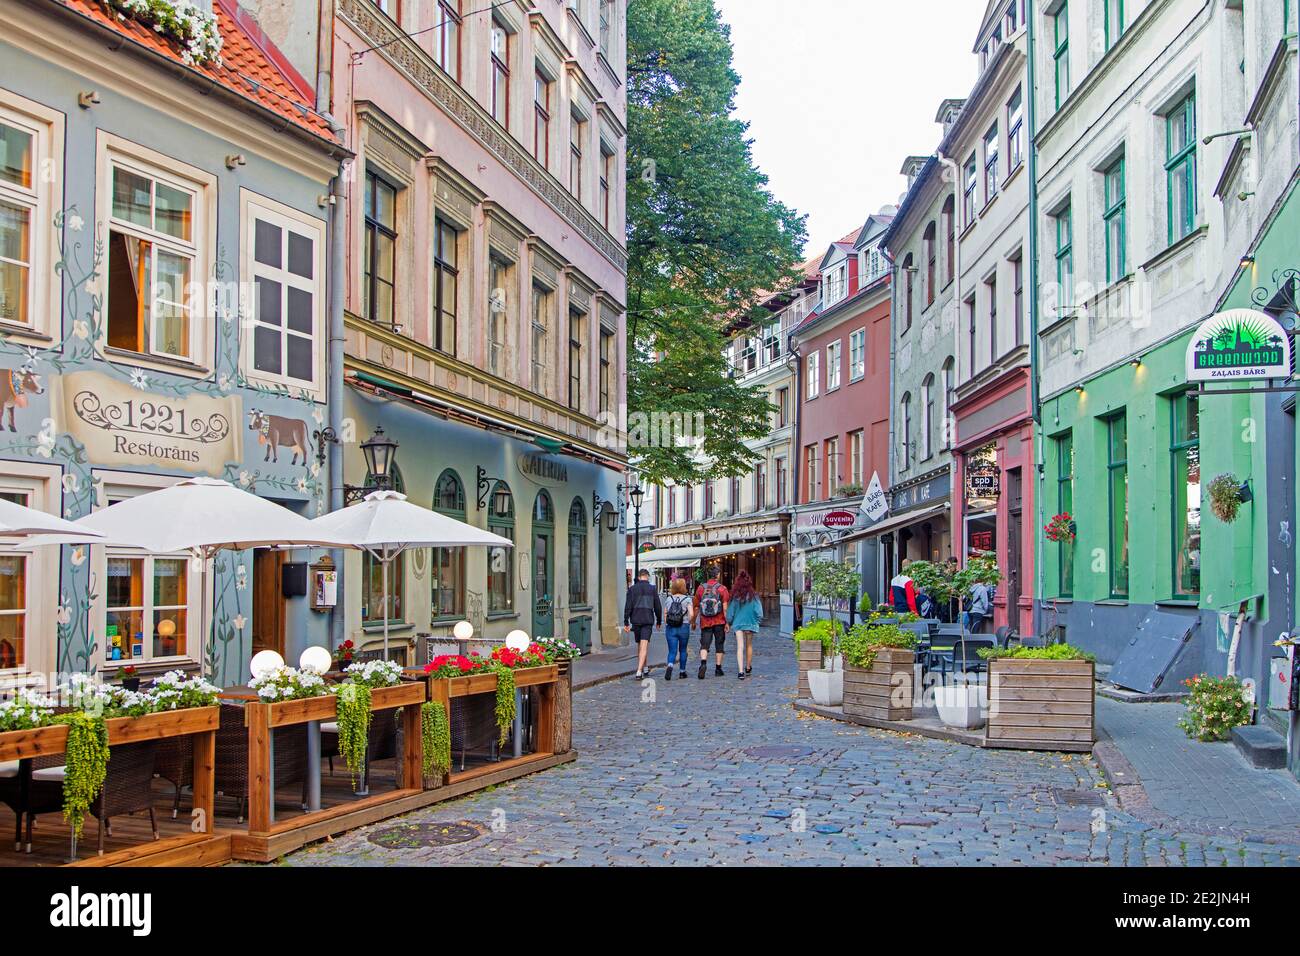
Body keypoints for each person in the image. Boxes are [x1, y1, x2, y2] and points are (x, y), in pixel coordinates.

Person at [623, 568, 662, 679]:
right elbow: (658, 606)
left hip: (636, 620)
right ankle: (639, 671)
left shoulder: (632, 589)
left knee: (640, 645)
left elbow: (628, 607)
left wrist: (626, 621)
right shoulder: (652, 589)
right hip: (647, 619)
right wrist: (659, 620)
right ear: (647, 576)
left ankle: (644, 668)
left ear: (639, 577)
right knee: (644, 646)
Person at [692, 565, 730, 679]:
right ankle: (718, 669)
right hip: (719, 621)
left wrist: (693, 621)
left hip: (705, 621)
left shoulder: (701, 588)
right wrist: (727, 622)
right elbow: (725, 607)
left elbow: (696, 607)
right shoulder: (722, 589)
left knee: (705, 644)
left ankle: (703, 663)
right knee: (719, 644)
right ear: (718, 575)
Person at [726, 570, 763, 680]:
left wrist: (729, 622)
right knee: (749, 645)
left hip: (738, 623)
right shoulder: (754, 595)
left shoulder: (735, 596)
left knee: (740, 646)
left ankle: (740, 671)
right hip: (750, 623)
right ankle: (748, 667)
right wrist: (757, 621)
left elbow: (730, 612)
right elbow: (759, 611)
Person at [663, 577, 693, 682]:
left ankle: (670, 665)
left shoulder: (668, 599)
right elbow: (691, 614)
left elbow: (665, 614)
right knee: (683, 650)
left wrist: (668, 623)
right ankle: (682, 672)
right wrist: (689, 621)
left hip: (671, 627)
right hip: (683, 626)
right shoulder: (687, 599)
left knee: (672, 651)